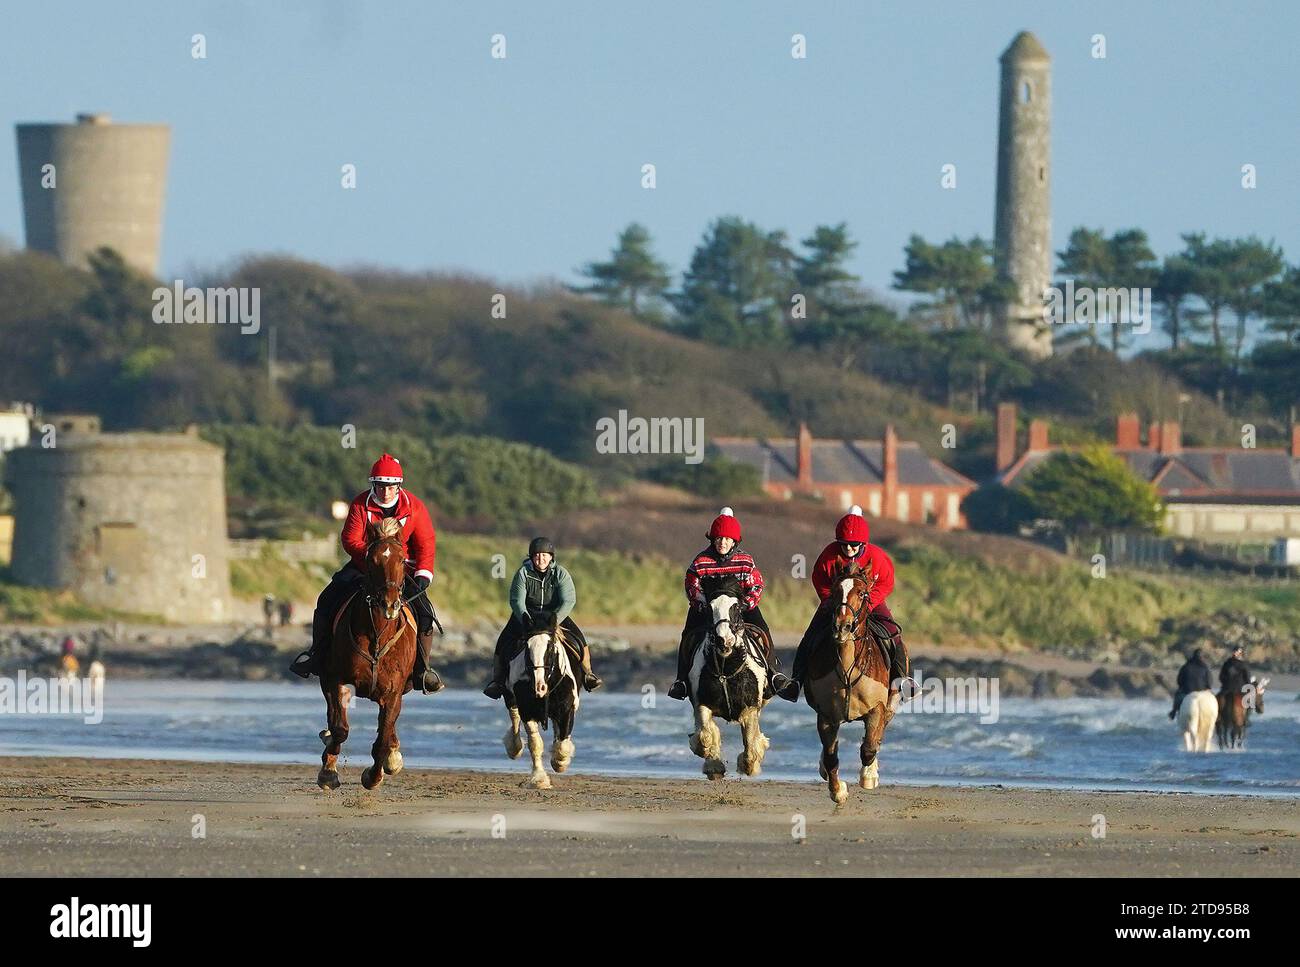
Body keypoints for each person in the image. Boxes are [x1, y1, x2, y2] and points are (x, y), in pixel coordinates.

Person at [289, 453, 443, 693]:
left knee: (425, 613)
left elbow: (426, 543)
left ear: (398, 486)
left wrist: (423, 573)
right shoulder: (360, 504)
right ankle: (316, 655)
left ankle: (423, 670)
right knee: (327, 599)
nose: (385, 492)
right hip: (365, 566)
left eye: (390, 486)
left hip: (403, 570)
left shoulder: (415, 507)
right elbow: (349, 539)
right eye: (380, 486)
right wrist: (374, 561)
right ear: (374, 485)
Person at [777, 505, 910, 703]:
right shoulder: (829, 555)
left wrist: (868, 602)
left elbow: (887, 582)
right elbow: (819, 579)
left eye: (854, 544)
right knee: (811, 635)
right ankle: (796, 682)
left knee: (893, 633)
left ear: (863, 542)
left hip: (869, 601)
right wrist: (833, 601)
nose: (848, 548)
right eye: (843, 543)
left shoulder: (877, 556)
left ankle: (902, 681)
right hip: (837, 602)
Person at [667, 507, 791, 701]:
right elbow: (692, 586)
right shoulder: (701, 561)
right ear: (712, 539)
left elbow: (756, 586)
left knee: (763, 629)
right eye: (718, 538)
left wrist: (745, 605)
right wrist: (702, 605)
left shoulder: (745, 561)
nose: (722, 543)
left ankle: (773, 674)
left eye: (727, 539)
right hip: (708, 609)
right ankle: (681, 681)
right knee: (688, 635)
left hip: (739, 609)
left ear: (734, 541)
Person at [483, 537, 602, 698]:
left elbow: (569, 600)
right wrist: (525, 619)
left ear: (551, 557)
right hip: (527, 615)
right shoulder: (523, 573)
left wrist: (555, 620)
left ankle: (588, 673)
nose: (541, 559)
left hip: (554, 615)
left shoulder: (561, 573)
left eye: (544, 555)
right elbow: (517, 600)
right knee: (503, 640)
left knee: (579, 639)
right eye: (537, 555)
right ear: (531, 557)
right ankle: (497, 681)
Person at [1168, 648, 1212, 719]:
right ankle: (1217, 715)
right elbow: (1209, 681)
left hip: (1187, 691)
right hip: (1202, 692)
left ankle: (1173, 712)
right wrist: (1208, 688)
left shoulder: (1185, 666)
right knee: (1213, 701)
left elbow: (1179, 680)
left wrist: (1182, 686)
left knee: (1177, 696)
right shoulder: (1205, 667)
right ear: (1202, 657)